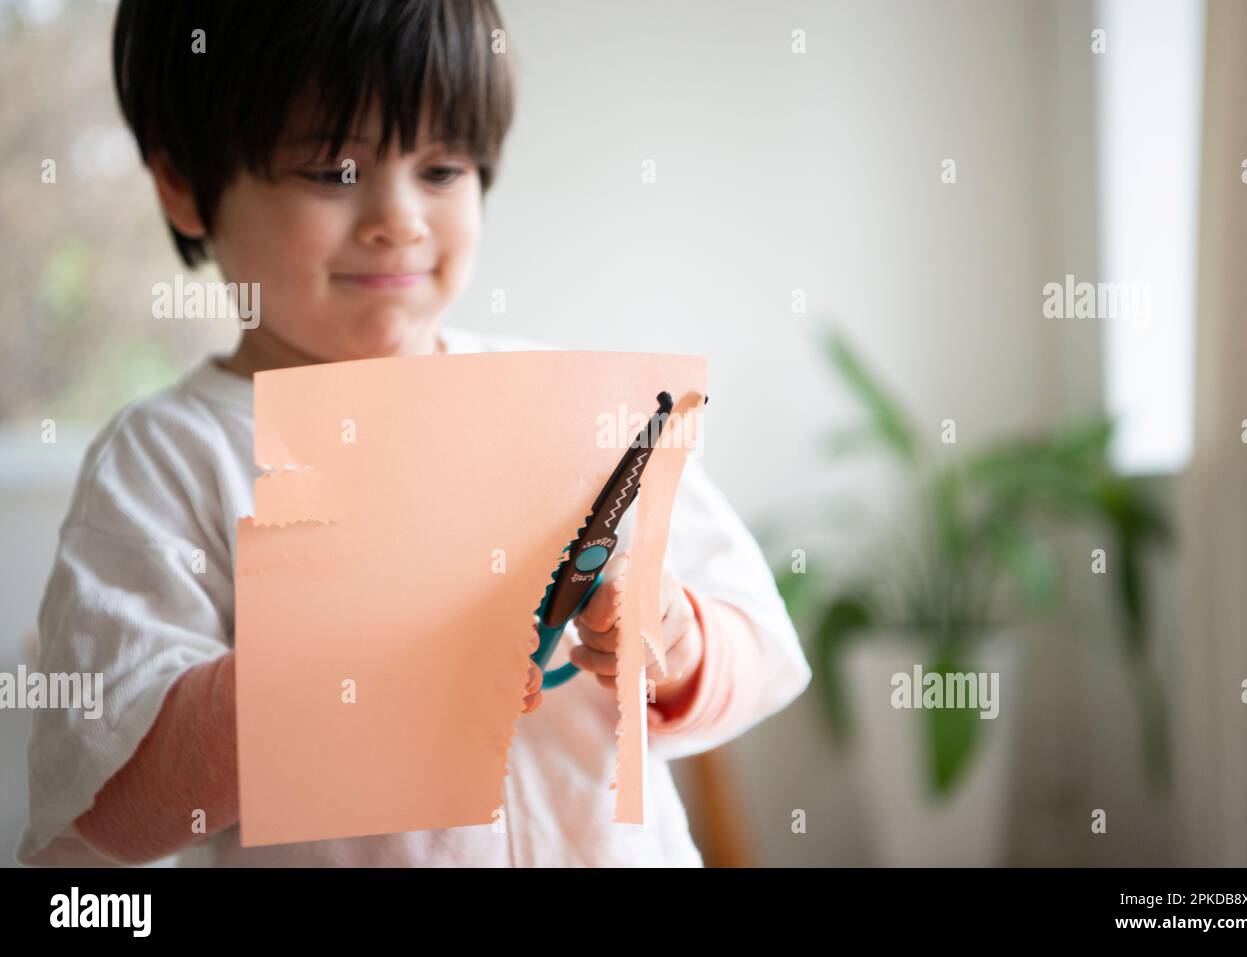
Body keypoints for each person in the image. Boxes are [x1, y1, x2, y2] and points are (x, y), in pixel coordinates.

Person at [16, 0, 810, 867]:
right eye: (331, 170)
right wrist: (354, 653)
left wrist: (677, 639)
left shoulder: (567, 403)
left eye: (441, 169)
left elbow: (762, 645)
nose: (399, 218)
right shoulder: (168, 459)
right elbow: (108, 800)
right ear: (183, 183)